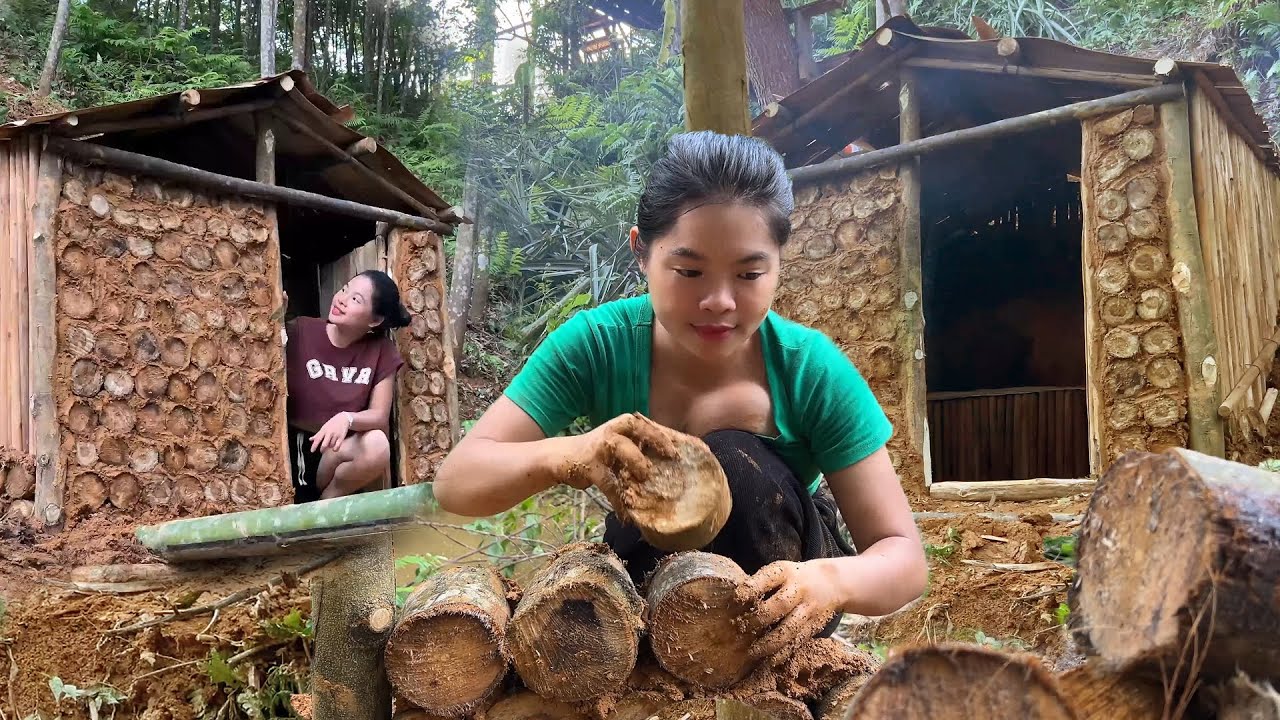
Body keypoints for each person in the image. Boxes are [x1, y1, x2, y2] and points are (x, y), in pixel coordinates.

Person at [434, 131, 927, 658]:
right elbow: (457, 483)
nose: (719, 301)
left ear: (779, 263)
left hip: (777, 603)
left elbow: (903, 557)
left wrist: (832, 581)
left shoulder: (811, 369)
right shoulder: (596, 344)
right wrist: (573, 454)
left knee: (735, 459)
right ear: (640, 252)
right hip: (652, 600)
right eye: (689, 271)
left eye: (749, 274)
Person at [284, 270, 410, 502]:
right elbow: (267, 338)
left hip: (336, 454)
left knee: (377, 443)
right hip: (296, 448)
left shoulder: (381, 350)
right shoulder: (301, 330)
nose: (341, 299)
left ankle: (327, 503)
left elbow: (379, 416)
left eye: (355, 299)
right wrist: (275, 313)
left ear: (374, 320)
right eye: (344, 289)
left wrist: (346, 419)